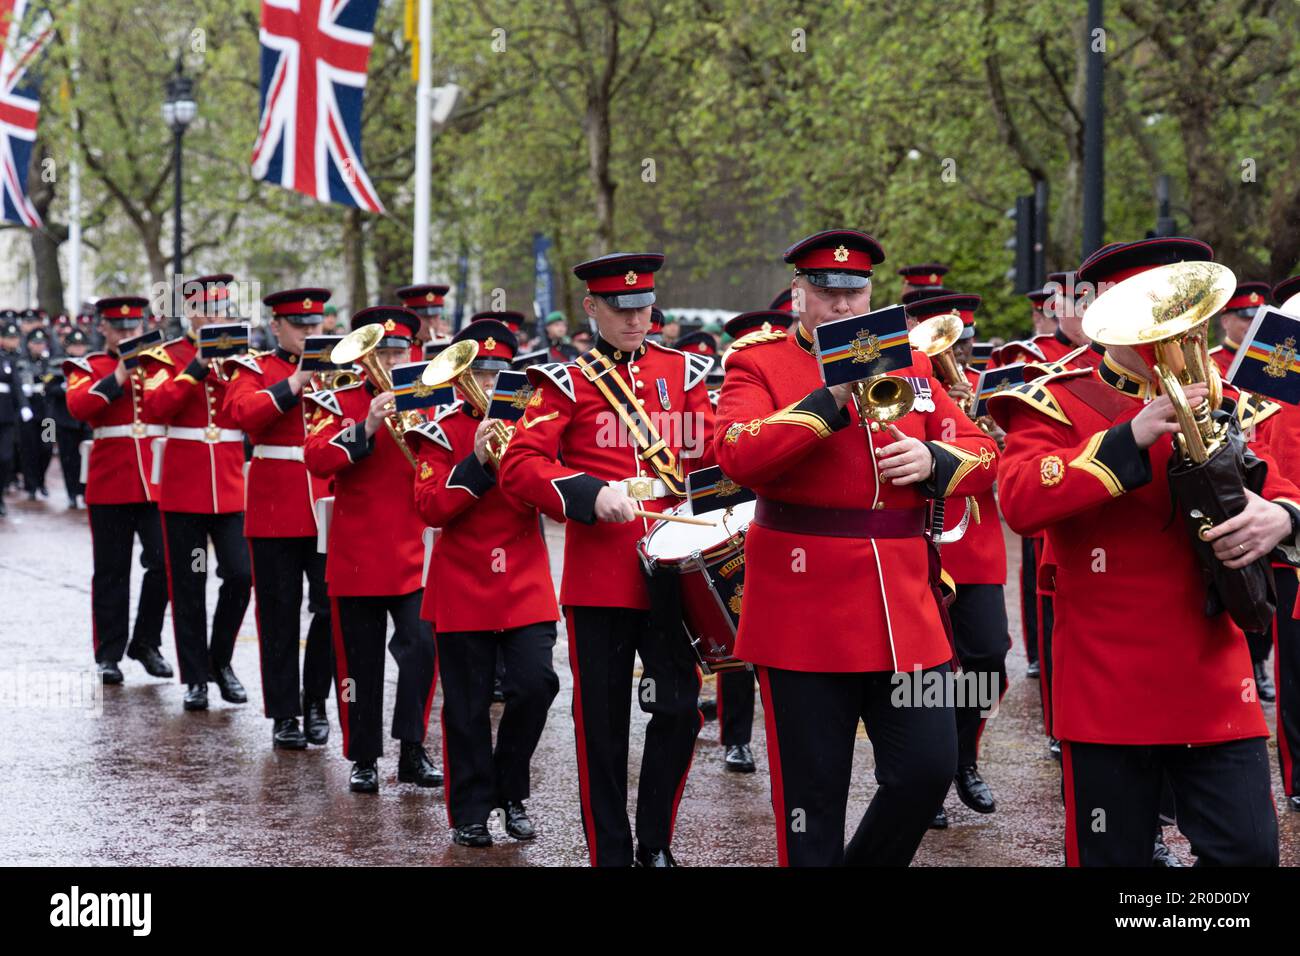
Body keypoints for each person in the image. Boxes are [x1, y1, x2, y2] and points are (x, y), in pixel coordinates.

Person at [990, 237, 1300, 865]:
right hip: (1109, 677)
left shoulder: (1230, 402)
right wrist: (1125, 437)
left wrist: (1281, 517)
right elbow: (1020, 500)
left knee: (1247, 852)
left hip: (1215, 671)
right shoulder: (1053, 400)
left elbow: (1285, 486)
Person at [714, 230, 999, 867]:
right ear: (797, 295)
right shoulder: (756, 361)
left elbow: (986, 455)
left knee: (927, 770)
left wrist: (933, 459)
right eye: (825, 291)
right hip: (802, 608)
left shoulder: (913, 363)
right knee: (812, 800)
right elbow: (736, 454)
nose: (843, 306)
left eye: (856, 292)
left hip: (905, 608)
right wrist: (830, 401)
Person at [500, 251, 715, 867]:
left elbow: (708, 459)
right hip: (601, 578)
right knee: (602, 727)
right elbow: (521, 466)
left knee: (679, 708)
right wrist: (590, 494)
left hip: (674, 568)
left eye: (644, 308)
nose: (635, 319)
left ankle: (655, 842)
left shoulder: (687, 372)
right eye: (621, 310)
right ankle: (612, 854)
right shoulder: (563, 382)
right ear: (592, 309)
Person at [408, 319, 560, 847]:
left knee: (536, 685)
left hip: (523, 578)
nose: (489, 384)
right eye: (478, 373)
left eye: (498, 374)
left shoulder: (535, 428)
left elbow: (551, 498)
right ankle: (470, 810)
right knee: (467, 705)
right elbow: (431, 507)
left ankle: (510, 789)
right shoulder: (437, 431)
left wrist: (518, 457)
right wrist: (475, 459)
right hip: (463, 581)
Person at [304, 305, 440, 794]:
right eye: (380, 351)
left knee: (422, 649)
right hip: (358, 552)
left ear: (413, 352)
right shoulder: (337, 399)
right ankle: (362, 756)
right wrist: (364, 427)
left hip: (413, 549)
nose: (388, 358)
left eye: (397, 350)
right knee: (358, 663)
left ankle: (411, 749)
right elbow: (316, 459)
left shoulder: (429, 399)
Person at [905, 291, 1010, 829]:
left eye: (965, 339)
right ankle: (934, 774)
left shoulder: (990, 385)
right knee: (931, 667)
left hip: (976, 543)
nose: (959, 350)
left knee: (988, 657)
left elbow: (1006, 463)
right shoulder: (902, 380)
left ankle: (965, 757)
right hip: (922, 540)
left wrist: (998, 437)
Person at [224, 288, 335, 750]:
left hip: (326, 501)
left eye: (316, 325)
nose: (311, 333)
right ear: (276, 327)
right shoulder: (254, 368)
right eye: (300, 326)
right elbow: (242, 415)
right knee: (278, 613)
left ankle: (316, 701)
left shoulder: (341, 369)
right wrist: (294, 383)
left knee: (330, 609)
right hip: (274, 505)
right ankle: (284, 713)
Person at [139, 274, 251, 712]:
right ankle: (196, 678)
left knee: (241, 575)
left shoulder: (243, 356)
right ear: (190, 312)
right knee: (189, 584)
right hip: (185, 488)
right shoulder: (166, 356)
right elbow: (157, 406)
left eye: (222, 310)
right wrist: (197, 367)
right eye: (208, 310)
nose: (216, 318)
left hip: (229, 486)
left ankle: (219, 661)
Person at [63, 296, 172, 684]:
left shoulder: (161, 365)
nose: (128, 334)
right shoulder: (88, 366)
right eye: (120, 329)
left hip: (156, 481)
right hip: (110, 481)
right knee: (111, 571)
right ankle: (108, 653)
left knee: (164, 563)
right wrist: (121, 375)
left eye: (133, 328)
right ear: (104, 329)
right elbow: (79, 407)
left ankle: (145, 641)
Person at [47, 328, 94, 508]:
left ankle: (85, 491)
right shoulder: (58, 363)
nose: (79, 349)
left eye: (81, 345)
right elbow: (49, 389)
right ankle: (72, 493)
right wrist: (63, 388)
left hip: (86, 419)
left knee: (87, 458)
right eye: (75, 346)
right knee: (69, 458)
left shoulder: (90, 362)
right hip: (65, 418)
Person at [17, 326, 54, 500]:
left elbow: (53, 382)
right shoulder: (22, 362)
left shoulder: (51, 362)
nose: (39, 346)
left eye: (42, 343)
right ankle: (31, 485)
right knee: (29, 448)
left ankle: (41, 480)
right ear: (29, 344)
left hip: (47, 412)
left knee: (47, 447)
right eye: (35, 343)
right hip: (30, 411)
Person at [0, 316, 31, 509]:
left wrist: (24, 405)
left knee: (6, 456)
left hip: (46, 417)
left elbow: (17, 384)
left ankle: (35, 484)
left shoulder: (9, 359)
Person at [397, 283, 452, 362]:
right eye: (425, 317)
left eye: (435, 316)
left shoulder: (449, 345)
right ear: (411, 318)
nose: (432, 322)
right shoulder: (401, 348)